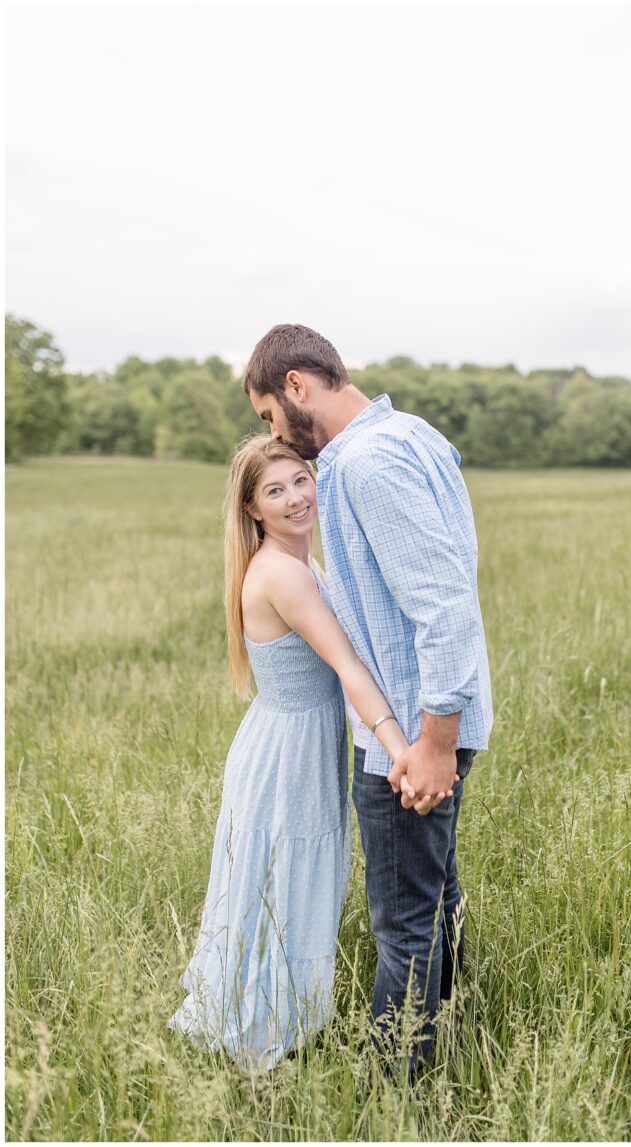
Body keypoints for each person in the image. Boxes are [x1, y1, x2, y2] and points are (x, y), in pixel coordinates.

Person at [242, 325, 493, 1074]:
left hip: (413, 738)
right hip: (435, 725)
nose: (275, 433)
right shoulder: (411, 432)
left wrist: (433, 743)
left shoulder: (365, 462)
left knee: (404, 926)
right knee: (436, 899)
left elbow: (443, 603)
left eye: (268, 416)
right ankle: (445, 1050)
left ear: (295, 386)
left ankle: (395, 1094)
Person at [167, 437, 449, 1072]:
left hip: (293, 740)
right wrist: (402, 748)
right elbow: (346, 666)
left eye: (301, 480)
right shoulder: (283, 572)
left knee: (283, 883)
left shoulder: (298, 559)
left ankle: (273, 1016)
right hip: (287, 753)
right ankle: (260, 1035)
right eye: (275, 490)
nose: (296, 497)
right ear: (252, 507)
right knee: (281, 885)